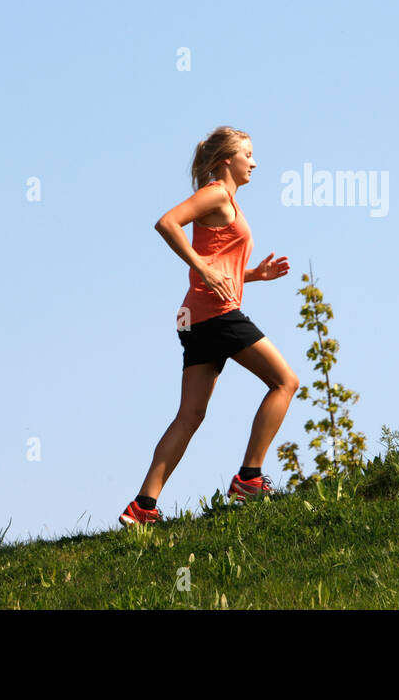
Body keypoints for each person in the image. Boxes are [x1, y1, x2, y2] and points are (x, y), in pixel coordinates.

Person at [120, 127, 299, 526]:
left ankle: (142, 507)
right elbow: (167, 223)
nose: (253, 162)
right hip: (217, 314)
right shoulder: (217, 192)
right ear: (226, 161)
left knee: (190, 415)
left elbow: (219, 264)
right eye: (247, 155)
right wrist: (200, 266)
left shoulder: (229, 201)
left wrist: (254, 274)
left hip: (198, 317)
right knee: (286, 382)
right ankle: (250, 478)